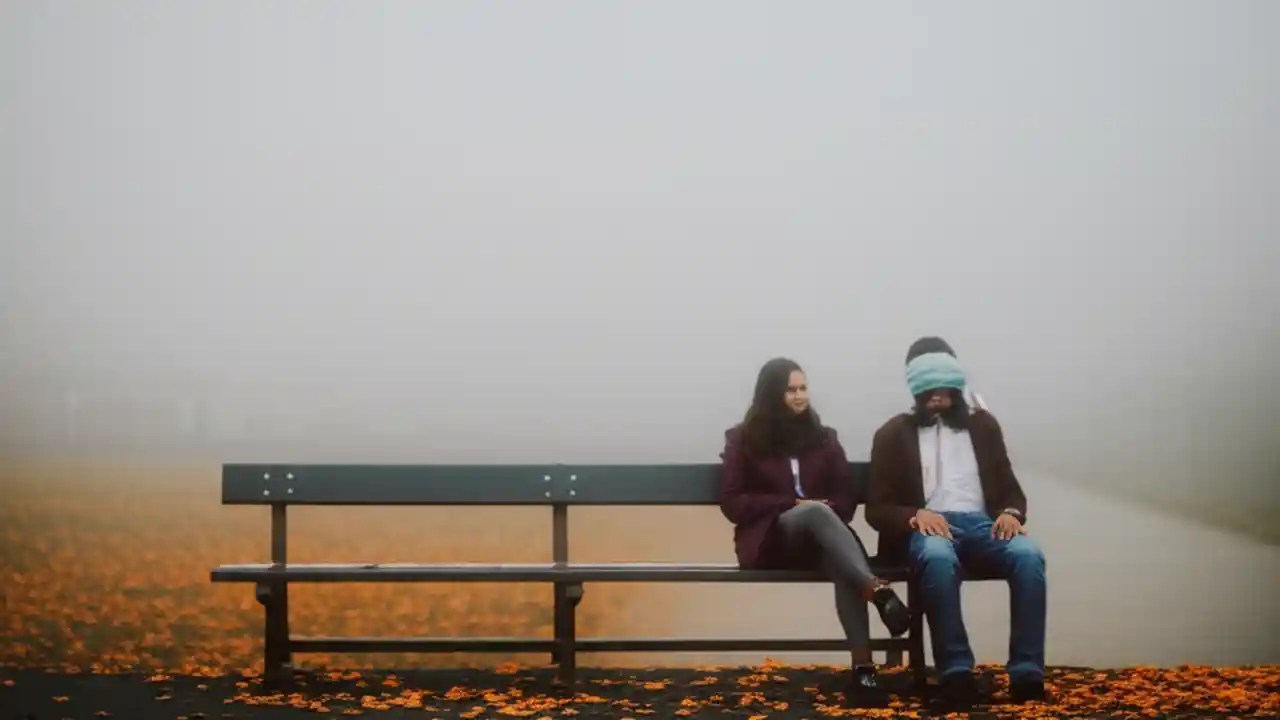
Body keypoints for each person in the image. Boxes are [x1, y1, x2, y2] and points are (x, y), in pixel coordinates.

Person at [719, 357, 911, 708]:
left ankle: (864, 671)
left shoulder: (824, 438)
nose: (799, 396)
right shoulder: (743, 439)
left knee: (842, 562)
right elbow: (733, 502)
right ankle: (877, 591)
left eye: (803, 388)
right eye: (790, 390)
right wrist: (791, 504)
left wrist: (820, 510)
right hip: (772, 540)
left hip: (824, 542)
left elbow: (847, 498)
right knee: (815, 513)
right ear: (771, 394)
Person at [867, 337, 1047, 707]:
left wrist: (1011, 515)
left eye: (945, 390)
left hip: (984, 527)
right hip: (931, 530)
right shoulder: (892, 434)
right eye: (929, 390)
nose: (938, 398)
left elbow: (1012, 492)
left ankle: (1027, 674)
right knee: (936, 557)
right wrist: (914, 515)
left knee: (1029, 555)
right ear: (915, 387)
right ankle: (956, 673)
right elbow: (877, 509)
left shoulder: (983, 427)